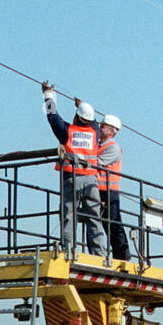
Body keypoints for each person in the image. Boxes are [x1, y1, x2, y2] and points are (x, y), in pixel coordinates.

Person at [41, 81, 108, 258]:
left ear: (77, 117)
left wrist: (48, 94)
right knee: (94, 217)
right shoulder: (95, 132)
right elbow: (93, 121)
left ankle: (69, 251)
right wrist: (81, 105)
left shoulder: (67, 131)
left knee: (69, 215)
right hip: (91, 181)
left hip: (72, 178)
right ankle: (99, 254)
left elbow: (52, 116)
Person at [96, 114, 129, 261]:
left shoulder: (113, 148)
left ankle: (122, 256)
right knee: (98, 221)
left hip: (109, 192)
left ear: (111, 131)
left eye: (103, 126)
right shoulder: (99, 145)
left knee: (113, 224)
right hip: (99, 191)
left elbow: (96, 163)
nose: (100, 127)